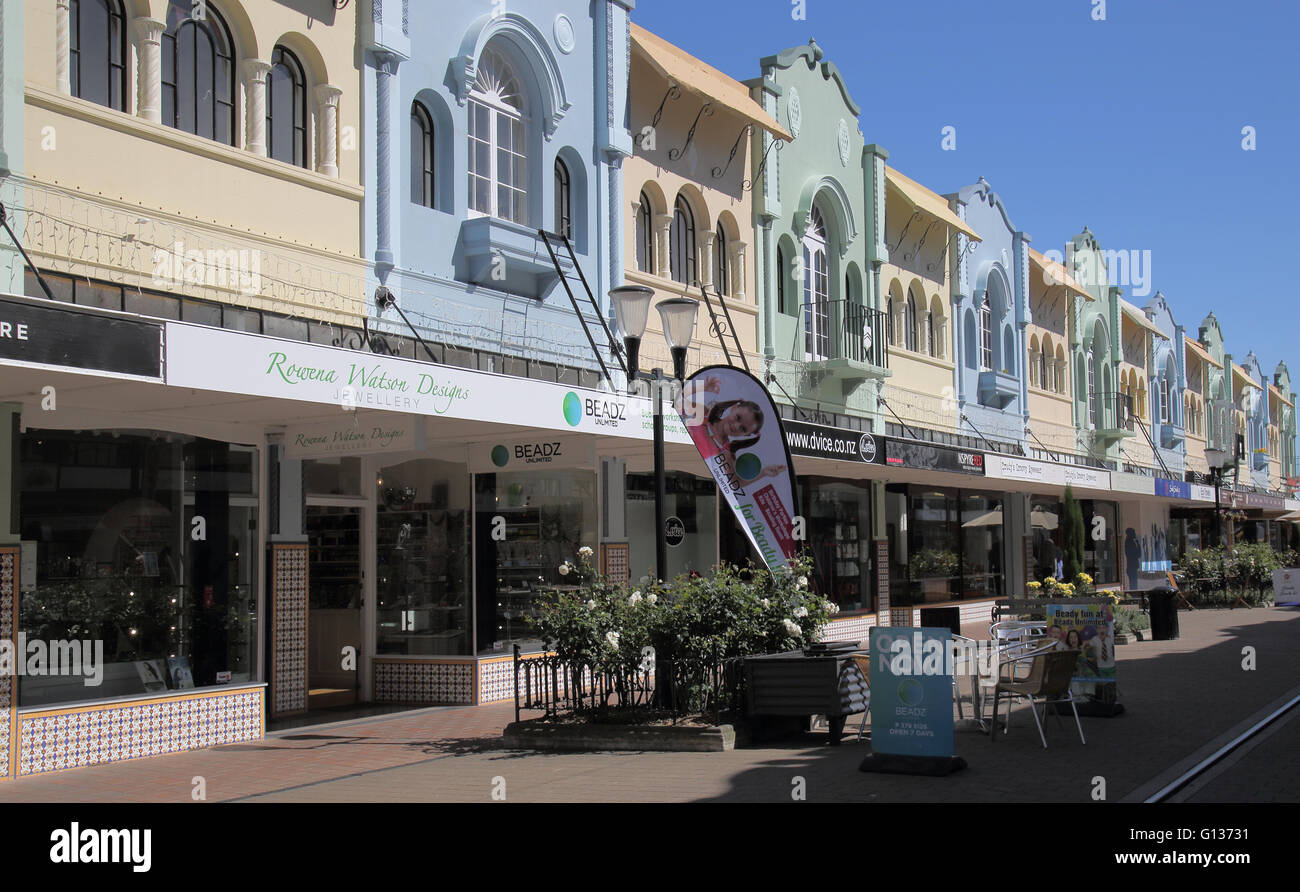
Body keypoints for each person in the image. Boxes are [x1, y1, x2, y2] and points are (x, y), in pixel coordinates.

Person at [675, 375, 786, 484]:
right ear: (734, 408)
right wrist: (703, 388)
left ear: (747, 435)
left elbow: (735, 483)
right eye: (738, 417)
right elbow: (678, 398)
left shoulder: (726, 453)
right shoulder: (703, 414)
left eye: (743, 428)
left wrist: (763, 474)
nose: (736, 426)